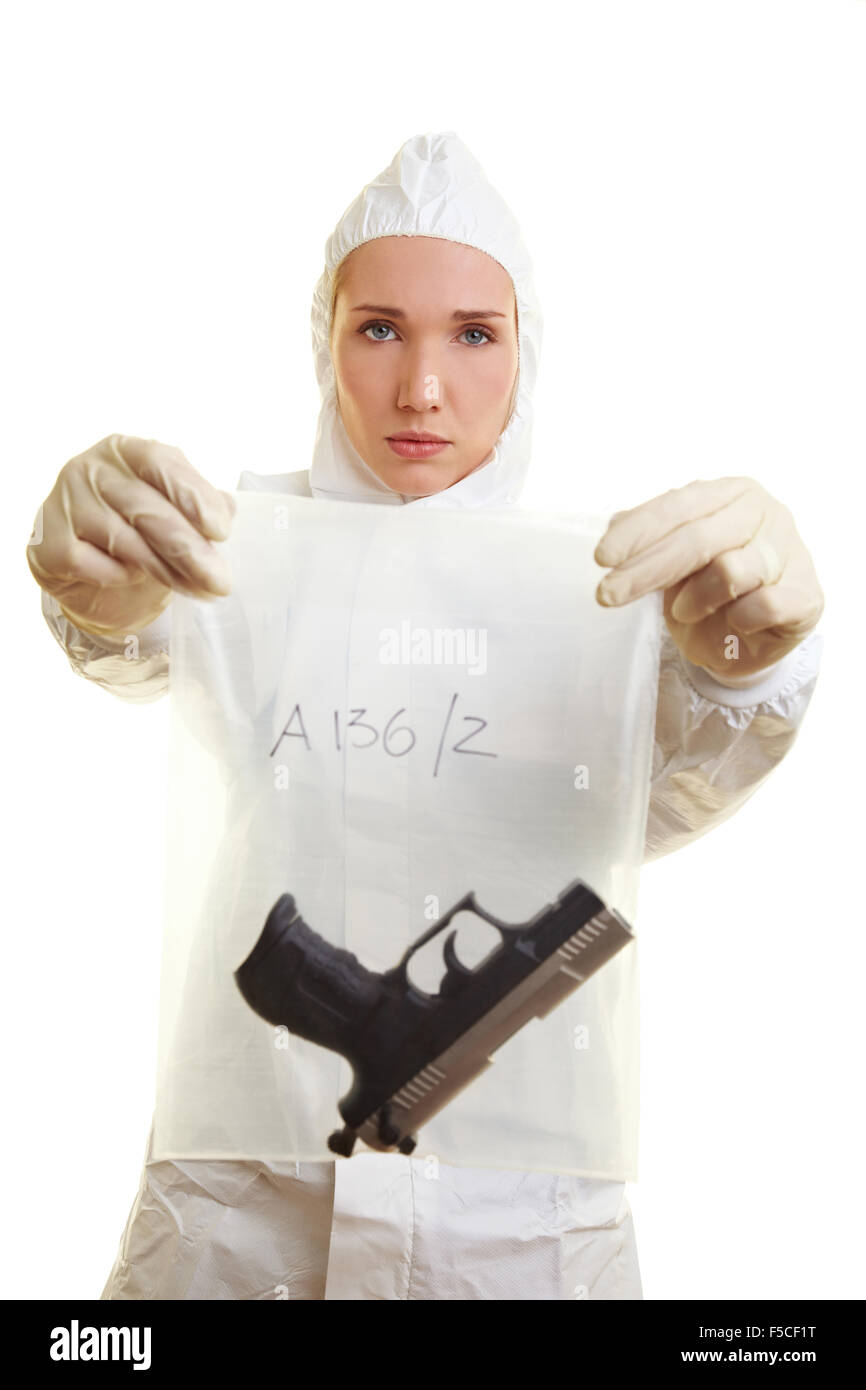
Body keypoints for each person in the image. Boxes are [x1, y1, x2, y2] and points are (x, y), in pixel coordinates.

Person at [26, 131, 825, 1300]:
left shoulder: (601, 588)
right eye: (380, 328)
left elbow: (671, 794)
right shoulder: (233, 548)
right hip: (244, 1217)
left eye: (472, 333)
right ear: (325, 343)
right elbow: (133, 642)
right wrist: (95, 580)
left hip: (519, 1229)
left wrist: (743, 669)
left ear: (526, 354)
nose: (421, 388)